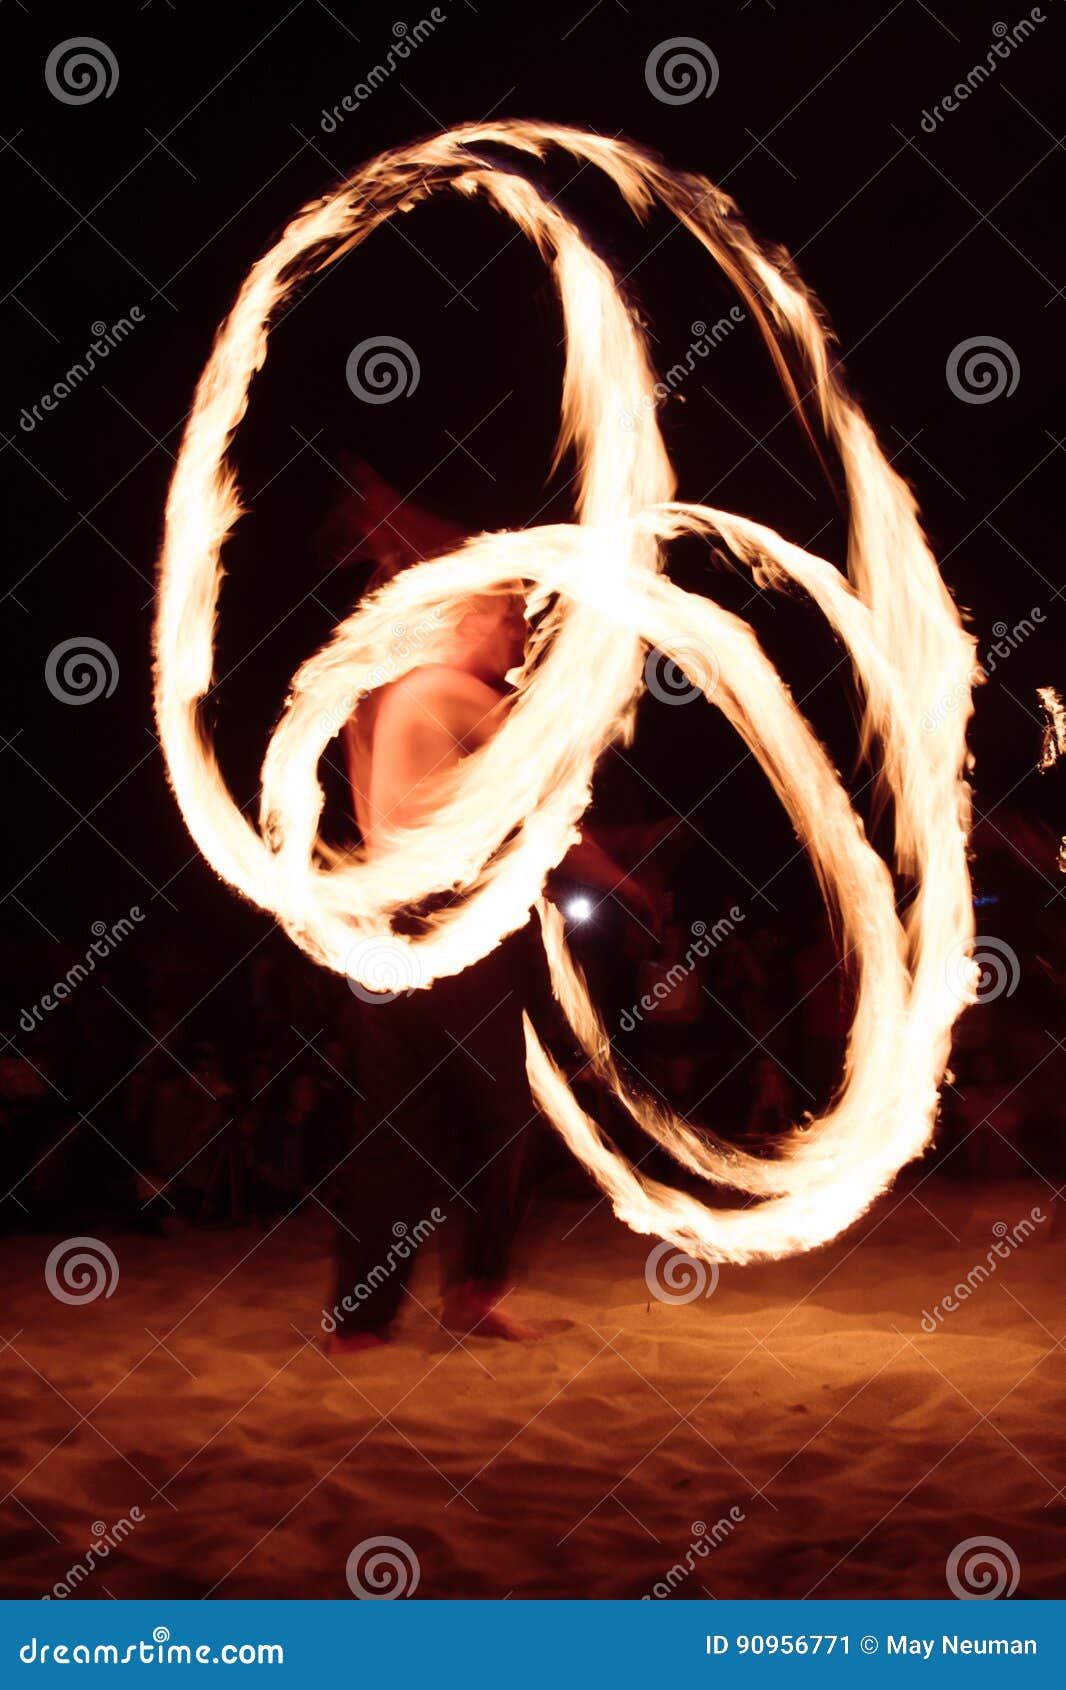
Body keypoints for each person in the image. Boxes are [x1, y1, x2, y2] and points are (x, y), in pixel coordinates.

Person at [327, 463, 659, 1352]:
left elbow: (539, 819)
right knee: (499, 1111)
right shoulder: (451, 693)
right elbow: (551, 788)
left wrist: (619, 882)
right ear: (466, 620)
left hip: (391, 928)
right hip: (439, 925)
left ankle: (363, 1320)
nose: (522, 625)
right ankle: (473, 1289)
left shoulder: (401, 702)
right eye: (510, 611)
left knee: (404, 1121)